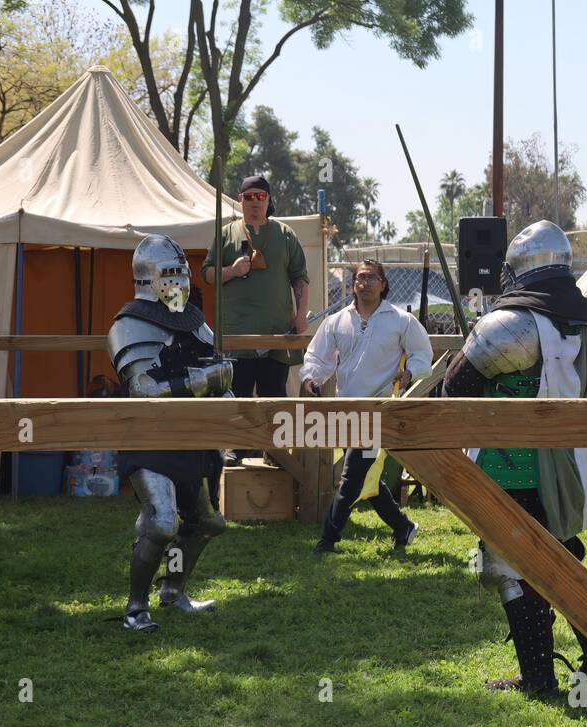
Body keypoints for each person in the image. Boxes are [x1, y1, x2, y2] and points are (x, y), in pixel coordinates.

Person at [443, 219, 587, 700]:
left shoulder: (512, 324)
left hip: (512, 469)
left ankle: (539, 679)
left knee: (510, 565)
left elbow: (454, 389)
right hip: (569, 471)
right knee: (563, 556)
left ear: (518, 270)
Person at [107, 234, 233, 632]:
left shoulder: (193, 320)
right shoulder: (130, 323)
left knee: (206, 523)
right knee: (162, 522)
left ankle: (173, 591)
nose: (179, 280)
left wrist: (223, 383)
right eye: (171, 273)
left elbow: (216, 373)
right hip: (149, 440)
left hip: (193, 437)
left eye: (183, 272)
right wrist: (205, 378)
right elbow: (144, 389)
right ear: (149, 277)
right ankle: (135, 607)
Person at [302, 259, 433, 554]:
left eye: (373, 278)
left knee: (351, 477)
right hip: (348, 412)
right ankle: (403, 527)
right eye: (360, 278)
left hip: (379, 413)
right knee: (367, 480)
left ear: (383, 284)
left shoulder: (400, 320)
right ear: (352, 285)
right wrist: (311, 378)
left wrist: (410, 373)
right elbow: (318, 358)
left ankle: (327, 540)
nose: (366, 283)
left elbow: (421, 353)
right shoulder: (336, 321)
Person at [203, 175, 311, 463]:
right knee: (237, 396)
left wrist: (301, 316)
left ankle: (275, 453)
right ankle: (234, 449)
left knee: (273, 396)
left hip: (276, 333)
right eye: (248, 196)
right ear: (239, 200)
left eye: (259, 197)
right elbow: (208, 274)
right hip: (237, 335)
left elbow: (300, 277)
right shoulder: (225, 233)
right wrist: (233, 271)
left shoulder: (285, 234)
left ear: (268, 200)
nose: (253, 202)